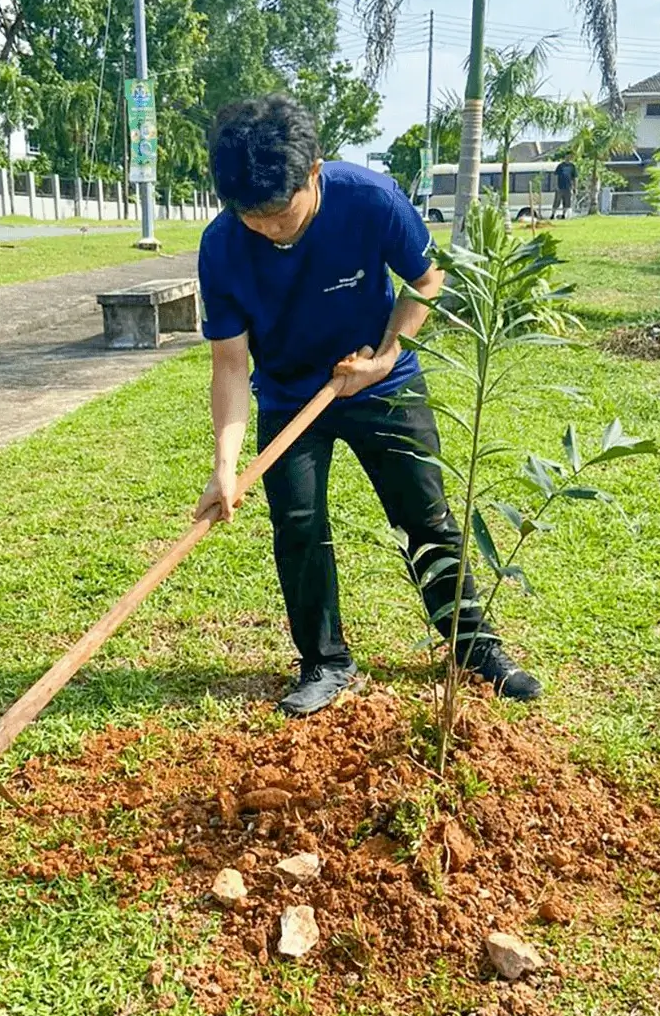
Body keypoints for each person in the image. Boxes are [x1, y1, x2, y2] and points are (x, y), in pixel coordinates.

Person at [194, 94, 542, 717]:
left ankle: (474, 647)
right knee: (297, 528)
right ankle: (324, 662)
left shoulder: (371, 199)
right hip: (288, 393)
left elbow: (427, 279)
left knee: (425, 514)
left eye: (281, 213)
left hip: (380, 379)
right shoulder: (222, 245)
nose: (271, 229)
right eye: (254, 217)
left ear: (314, 172)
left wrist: (383, 356)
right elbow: (228, 362)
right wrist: (224, 463)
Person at [551, 155, 578, 220]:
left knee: (567, 202)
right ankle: (553, 214)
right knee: (557, 202)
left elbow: (575, 178)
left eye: (569, 157)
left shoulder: (572, 166)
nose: (568, 158)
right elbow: (555, 176)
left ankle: (564, 215)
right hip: (560, 187)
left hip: (568, 187)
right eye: (567, 157)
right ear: (565, 157)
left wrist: (575, 187)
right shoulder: (560, 166)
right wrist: (556, 185)